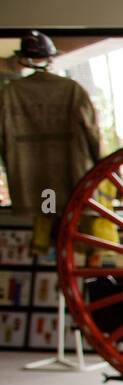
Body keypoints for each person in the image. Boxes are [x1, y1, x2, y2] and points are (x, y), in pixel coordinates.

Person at [0, 30, 101, 235]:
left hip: (32, 177)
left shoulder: (9, 93)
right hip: (71, 172)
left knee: (47, 219)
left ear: (23, 58)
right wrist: (101, 165)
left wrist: (8, 162)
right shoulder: (72, 90)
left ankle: (51, 250)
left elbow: (2, 139)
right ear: (50, 58)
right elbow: (93, 133)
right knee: (71, 226)